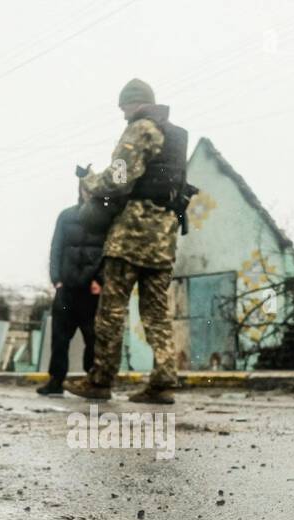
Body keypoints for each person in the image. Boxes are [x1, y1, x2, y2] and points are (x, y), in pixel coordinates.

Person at [66, 78, 189, 405]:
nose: (123, 114)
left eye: (124, 107)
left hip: (132, 235)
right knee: (156, 313)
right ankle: (163, 382)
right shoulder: (174, 136)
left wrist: (90, 181)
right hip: (164, 237)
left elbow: (119, 179)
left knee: (111, 310)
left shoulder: (140, 128)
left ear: (135, 103)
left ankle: (100, 380)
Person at [41, 171, 107, 395]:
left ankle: (91, 381)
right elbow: (56, 248)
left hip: (92, 289)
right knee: (59, 338)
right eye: (85, 187)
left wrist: (100, 280)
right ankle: (55, 381)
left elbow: (109, 252)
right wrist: (56, 279)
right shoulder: (66, 215)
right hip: (66, 288)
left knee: (93, 338)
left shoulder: (106, 218)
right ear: (80, 189)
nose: (88, 192)